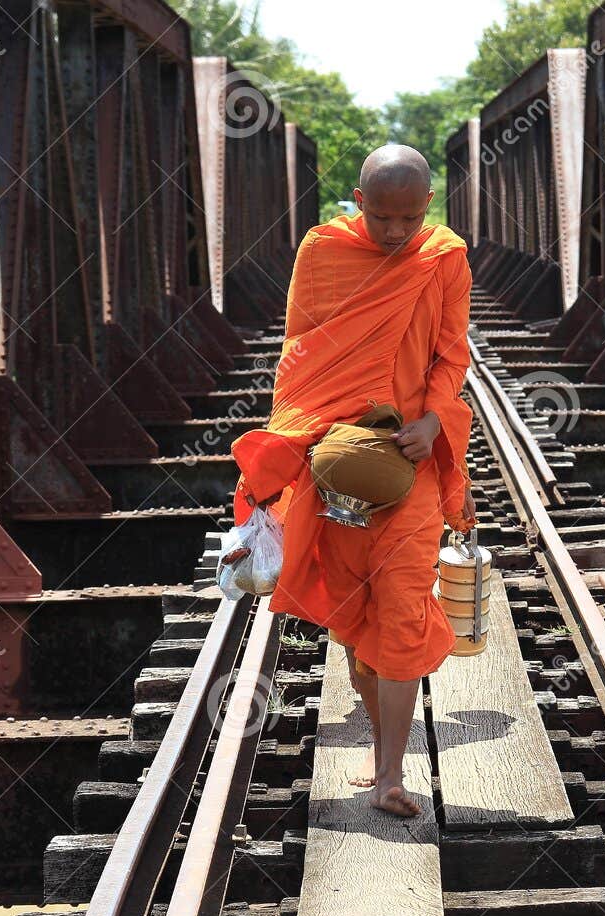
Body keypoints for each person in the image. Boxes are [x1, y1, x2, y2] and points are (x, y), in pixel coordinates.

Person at [228, 144, 475, 818]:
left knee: (400, 608)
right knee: (352, 616)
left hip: (411, 465)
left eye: (406, 219)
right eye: (381, 218)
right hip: (336, 463)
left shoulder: (444, 256)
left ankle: (393, 770)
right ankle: (377, 741)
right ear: (358, 202)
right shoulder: (323, 251)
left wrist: (433, 420)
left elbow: (452, 355)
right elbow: (299, 353)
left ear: (428, 206)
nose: (394, 233)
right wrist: (301, 438)